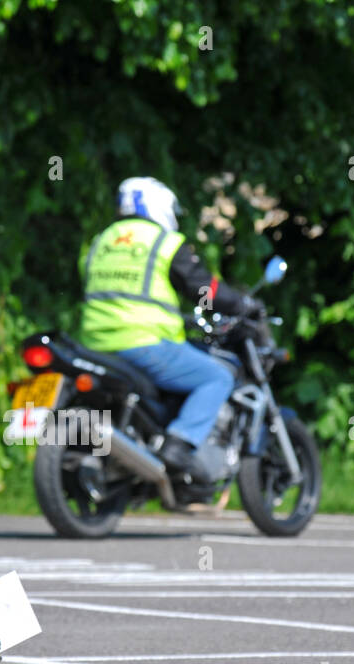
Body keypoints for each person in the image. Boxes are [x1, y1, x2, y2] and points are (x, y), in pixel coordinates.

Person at [79, 176, 266, 483]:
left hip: (94, 342)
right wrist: (242, 305)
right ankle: (180, 444)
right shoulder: (163, 242)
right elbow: (204, 290)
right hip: (143, 342)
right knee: (217, 377)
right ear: (159, 205)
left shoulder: (100, 242)